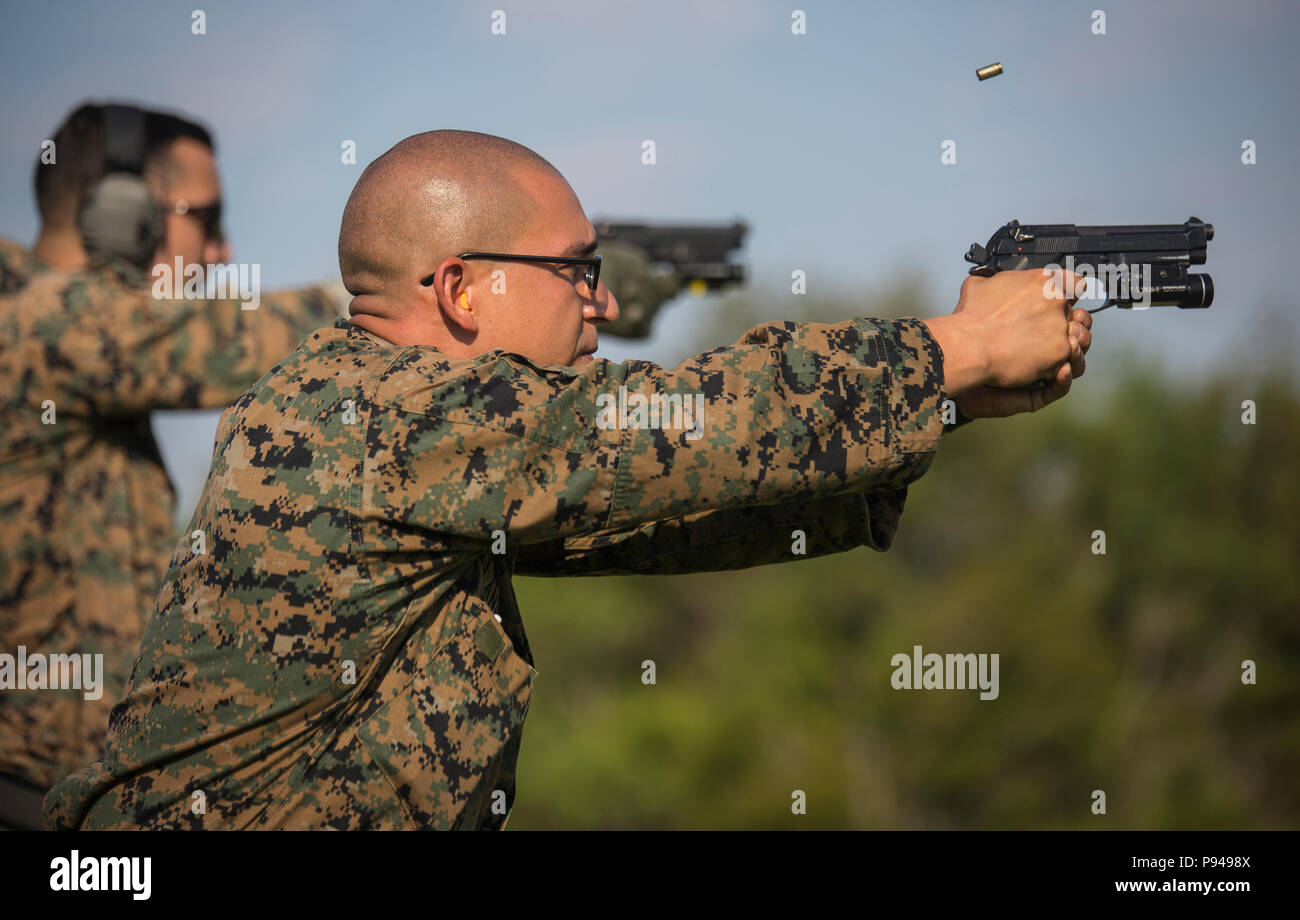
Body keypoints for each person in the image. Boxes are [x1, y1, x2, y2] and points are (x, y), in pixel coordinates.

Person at [43, 129, 1092, 830]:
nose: (599, 303)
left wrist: (942, 404)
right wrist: (950, 349)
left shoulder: (403, 429)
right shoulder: (372, 416)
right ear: (458, 287)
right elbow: (669, 428)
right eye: (576, 270)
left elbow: (659, 511)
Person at [0, 102, 343, 829]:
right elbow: (242, 340)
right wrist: (425, 295)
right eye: (206, 220)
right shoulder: (44, 326)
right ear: (127, 213)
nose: (219, 254)